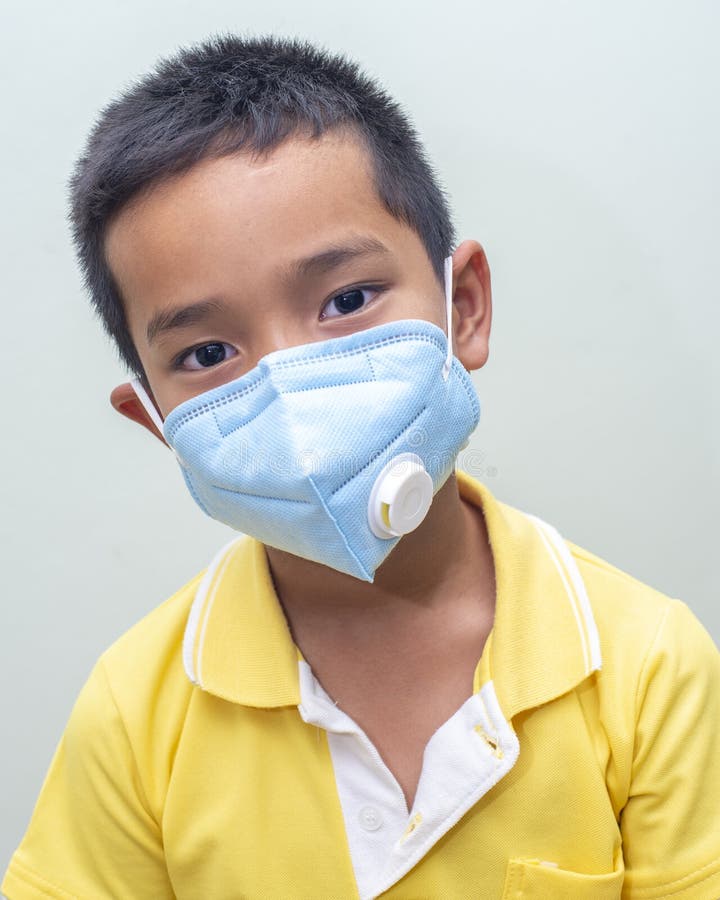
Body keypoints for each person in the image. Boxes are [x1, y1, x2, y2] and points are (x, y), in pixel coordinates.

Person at [3, 34, 719, 900]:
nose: (291, 390)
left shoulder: (646, 665)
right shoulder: (133, 713)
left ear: (464, 309)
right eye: (208, 352)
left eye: (346, 300)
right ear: (158, 424)